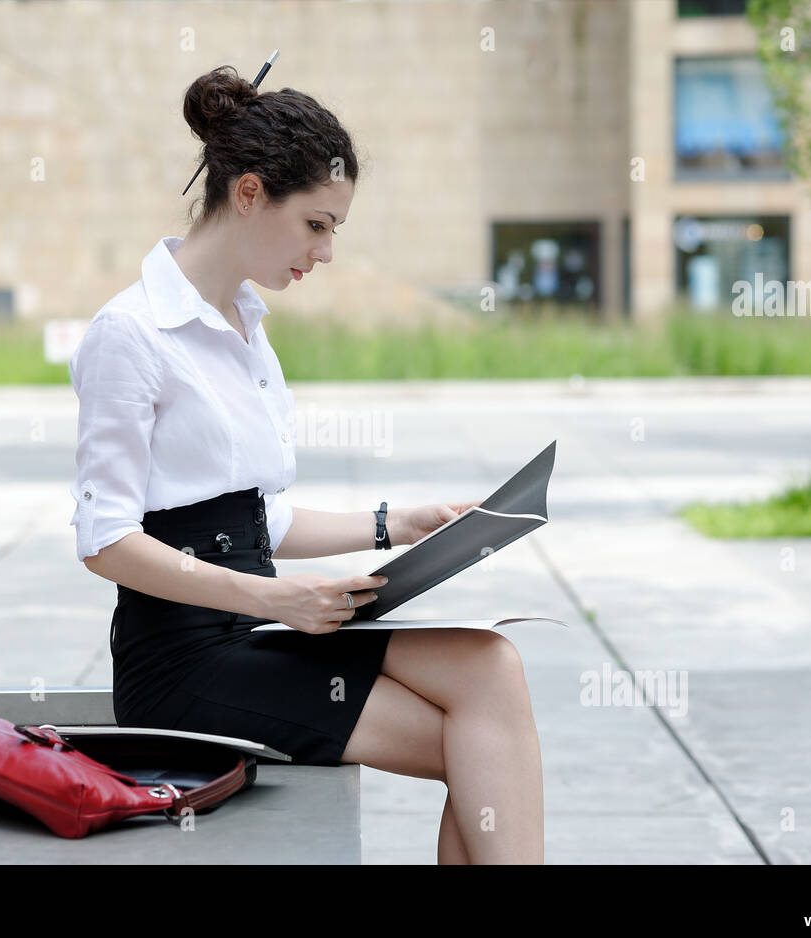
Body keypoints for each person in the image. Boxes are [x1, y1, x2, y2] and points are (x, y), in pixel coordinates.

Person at [69, 65, 543, 865]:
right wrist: (274, 599)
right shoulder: (132, 333)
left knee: (490, 665)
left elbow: (263, 518)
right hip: (185, 662)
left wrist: (398, 524)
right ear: (249, 193)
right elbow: (104, 538)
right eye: (316, 225)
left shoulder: (246, 324)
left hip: (262, 625)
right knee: (482, 743)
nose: (325, 252)